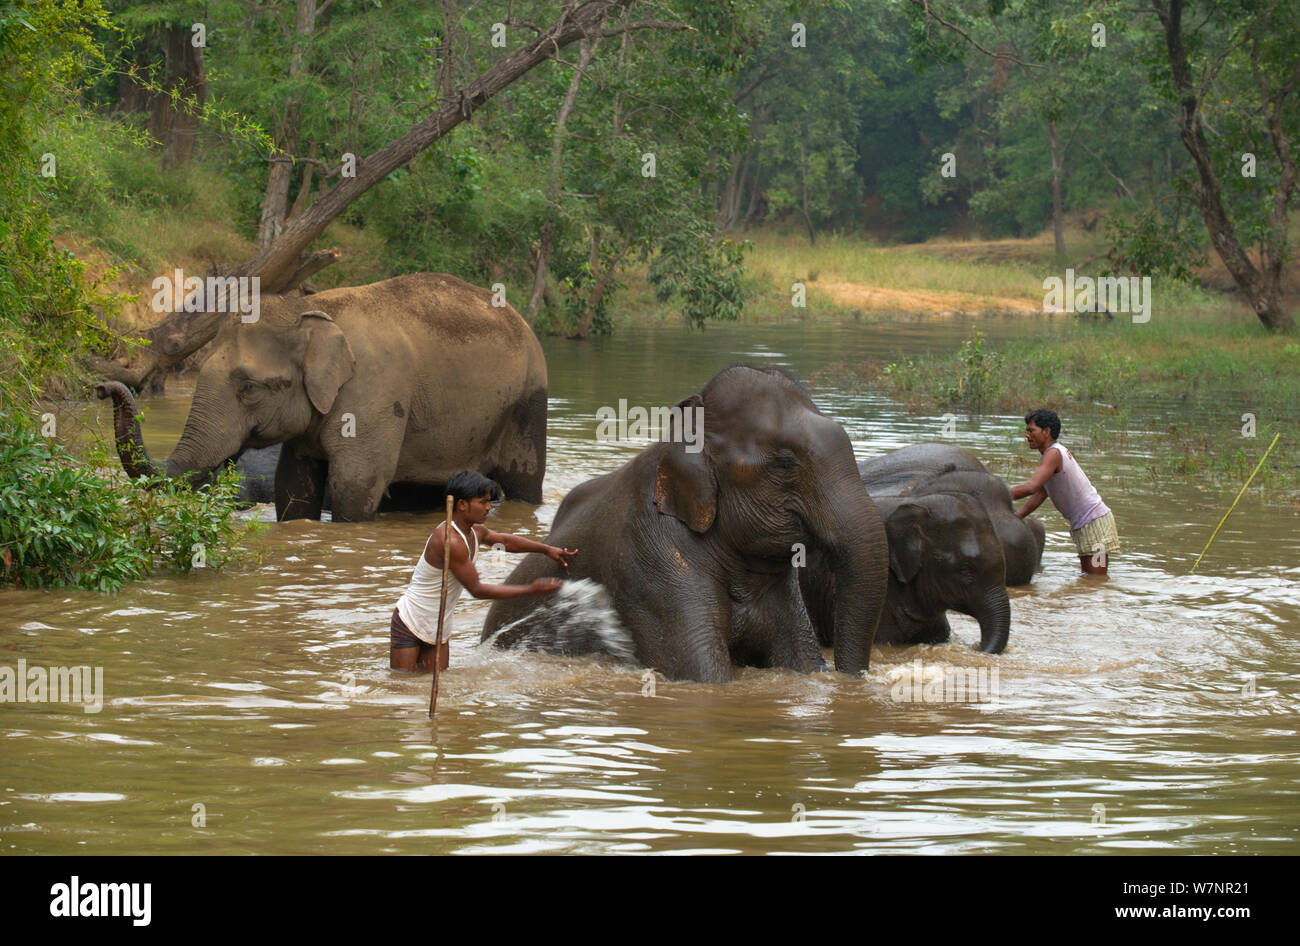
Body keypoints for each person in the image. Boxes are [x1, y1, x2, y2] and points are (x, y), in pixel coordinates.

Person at [390, 471, 578, 672]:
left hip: (439, 626)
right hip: (411, 620)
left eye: (489, 502)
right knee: (403, 688)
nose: (488, 508)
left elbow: (504, 542)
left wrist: (546, 549)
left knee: (436, 684)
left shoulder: (475, 531)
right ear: (462, 505)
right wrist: (531, 589)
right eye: (483, 502)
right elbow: (477, 590)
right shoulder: (450, 541)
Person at [1010, 408, 1120, 576]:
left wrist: (995, 493)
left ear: (1046, 431)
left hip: (1095, 524)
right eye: (1027, 431)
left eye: (1031, 430)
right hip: (1086, 523)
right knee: (1090, 579)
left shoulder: (1053, 453)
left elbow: (1032, 486)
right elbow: (1040, 493)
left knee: (1097, 581)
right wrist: (1017, 517)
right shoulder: (1051, 454)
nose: (1027, 435)